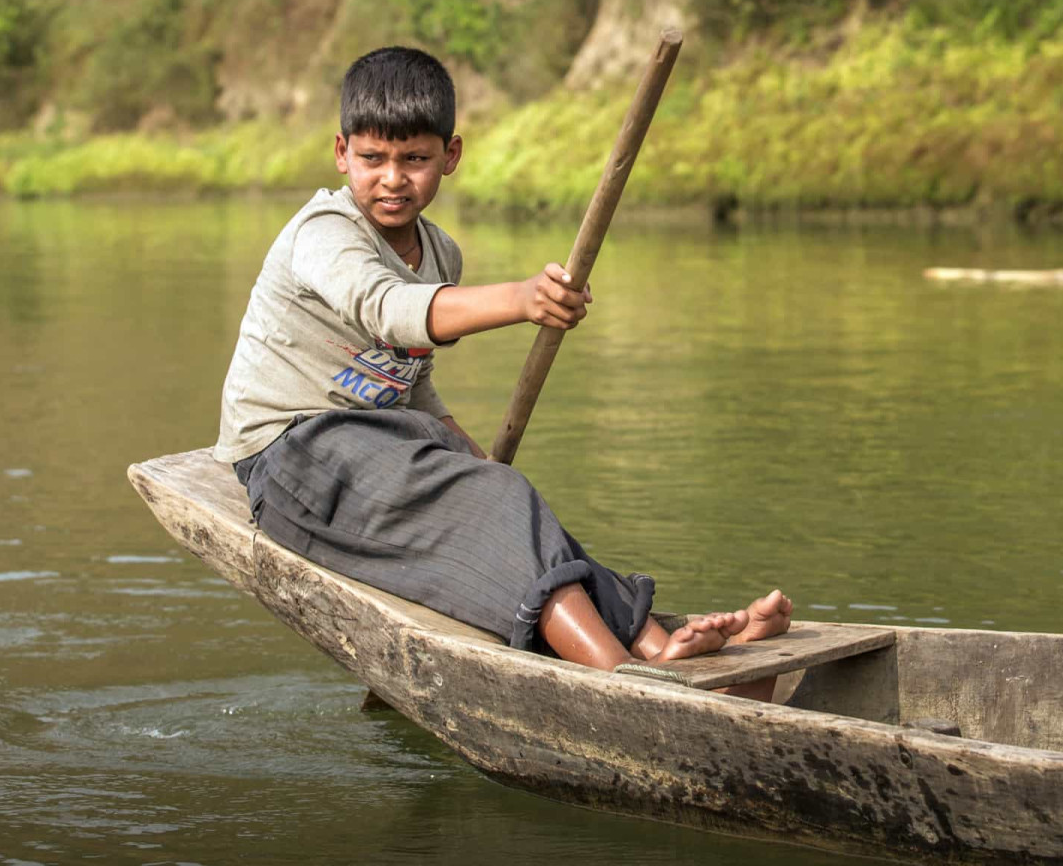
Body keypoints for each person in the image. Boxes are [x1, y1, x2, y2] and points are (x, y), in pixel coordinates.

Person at [213, 46, 791, 694]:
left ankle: (654, 639)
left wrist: (469, 457)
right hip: (295, 454)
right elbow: (388, 311)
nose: (393, 179)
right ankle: (630, 679)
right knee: (499, 499)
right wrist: (521, 299)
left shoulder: (440, 253)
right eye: (373, 159)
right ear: (342, 153)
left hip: (382, 442)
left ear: (450, 157)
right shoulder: (325, 231)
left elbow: (410, 380)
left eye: (416, 160)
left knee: (509, 498)